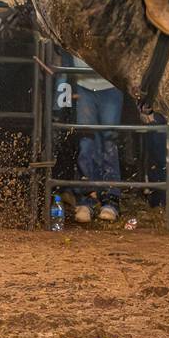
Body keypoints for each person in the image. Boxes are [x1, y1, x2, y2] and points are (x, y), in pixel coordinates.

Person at [69, 54, 122, 223]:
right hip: (84, 83)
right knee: (87, 143)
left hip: (110, 84)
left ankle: (110, 200)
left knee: (108, 141)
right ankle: (87, 199)